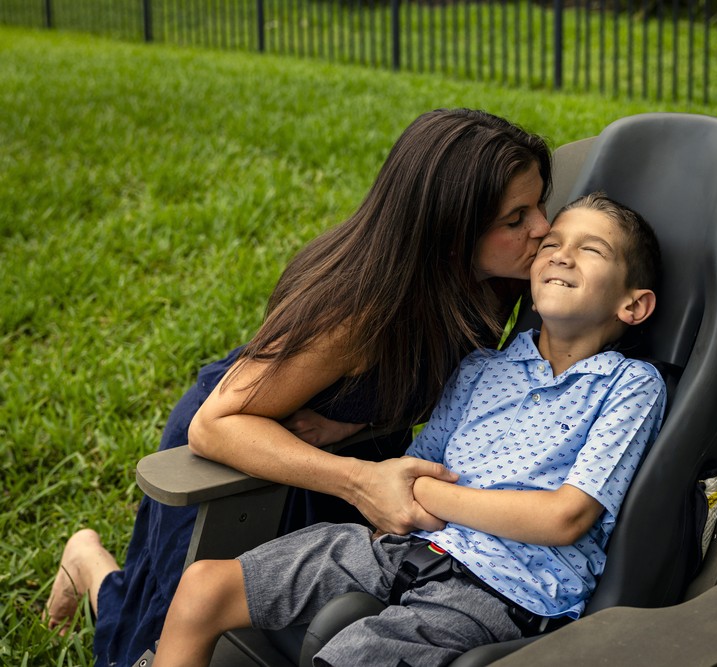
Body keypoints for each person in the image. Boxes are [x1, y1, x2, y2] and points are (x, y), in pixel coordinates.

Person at [43, 108, 553, 667]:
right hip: (254, 440)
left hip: (342, 444)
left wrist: (361, 419)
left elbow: (447, 381)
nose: (543, 228)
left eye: (540, 205)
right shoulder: (359, 311)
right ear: (451, 233)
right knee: (164, 636)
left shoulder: (499, 281)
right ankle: (88, 562)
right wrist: (359, 481)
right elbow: (214, 424)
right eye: (516, 218)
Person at [151, 192, 668, 667]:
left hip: (503, 586)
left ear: (634, 305)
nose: (561, 255)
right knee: (205, 587)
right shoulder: (481, 369)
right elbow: (409, 472)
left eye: (591, 249)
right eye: (552, 244)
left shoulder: (629, 385)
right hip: (401, 548)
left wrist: (429, 495)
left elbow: (564, 517)